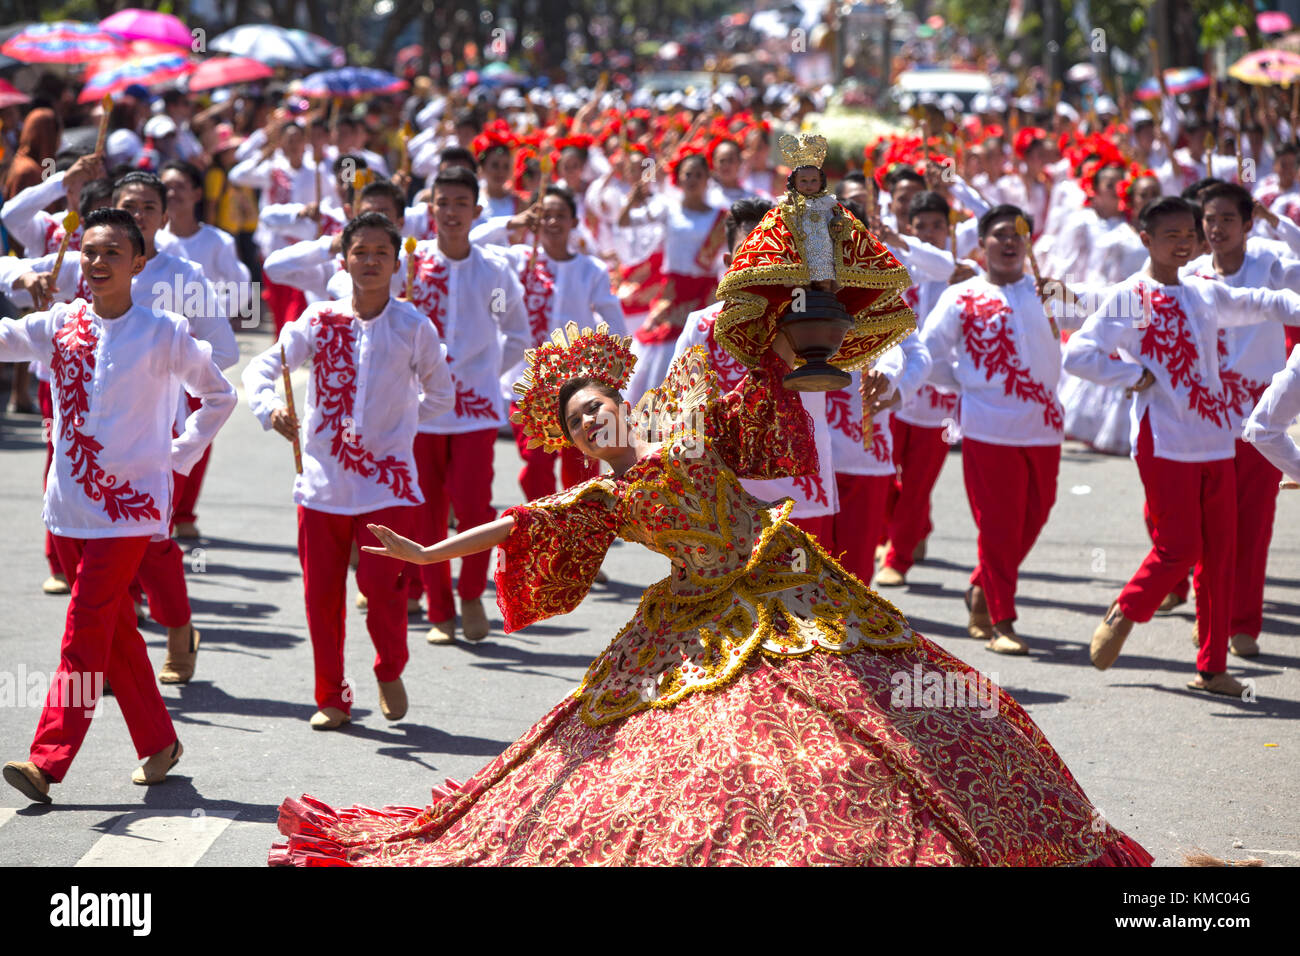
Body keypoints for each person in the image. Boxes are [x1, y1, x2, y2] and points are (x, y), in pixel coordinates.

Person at [267, 321, 1151, 867]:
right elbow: (513, 525)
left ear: (625, 402)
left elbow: (744, 364)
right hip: (697, 615)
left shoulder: (684, 424)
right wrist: (426, 551)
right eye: (579, 420)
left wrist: (784, 303)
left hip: (789, 579)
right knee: (715, 747)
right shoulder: (598, 498)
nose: (595, 418)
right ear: (574, 443)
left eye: (603, 403)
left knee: (885, 704)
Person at [0, 208, 235, 804]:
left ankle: (47, 760)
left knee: (83, 631)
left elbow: (218, 395)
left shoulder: (165, 331)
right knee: (117, 631)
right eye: (90, 251)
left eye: (112, 253)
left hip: (130, 511)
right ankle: (159, 742)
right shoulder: (59, 324)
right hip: (71, 506)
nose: (98, 262)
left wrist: (177, 456)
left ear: (139, 263)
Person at [1063, 196, 1300, 695]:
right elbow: (1080, 354)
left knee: (1221, 554)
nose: (1184, 242)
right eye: (1171, 234)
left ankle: (1212, 666)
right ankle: (1128, 607)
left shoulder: (1201, 291)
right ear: (1146, 240)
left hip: (1217, 437)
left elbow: (1263, 302)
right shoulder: (1131, 296)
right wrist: (1133, 374)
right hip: (1165, 441)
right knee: (1179, 546)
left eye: (1188, 233)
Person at [242, 212, 454, 730]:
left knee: (384, 590)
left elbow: (441, 395)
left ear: (398, 264)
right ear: (345, 260)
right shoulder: (319, 319)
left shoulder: (413, 325)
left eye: (383, 252)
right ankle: (332, 696)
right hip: (323, 483)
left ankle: (388, 667)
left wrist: (397, 427)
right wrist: (270, 409)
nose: (372, 260)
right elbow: (261, 367)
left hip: (388, 484)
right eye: (362, 251)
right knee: (322, 595)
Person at [918, 205, 1068, 656]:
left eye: (1017, 235)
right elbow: (927, 354)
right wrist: (965, 383)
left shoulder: (1047, 291)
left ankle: (981, 589)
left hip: (1044, 427)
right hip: (989, 429)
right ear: (981, 245)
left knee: (1034, 517)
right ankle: (1002, 620)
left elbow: (1097, 322)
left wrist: (1066, 299)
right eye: (999, 235)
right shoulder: (962, 296)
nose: (1009, 243)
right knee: (999, 527)